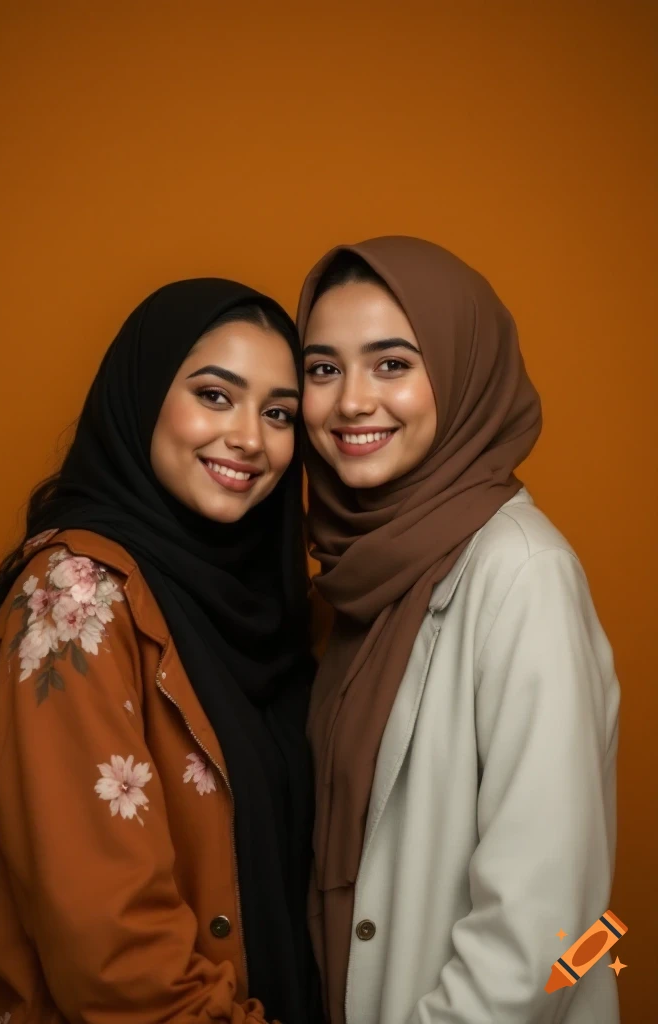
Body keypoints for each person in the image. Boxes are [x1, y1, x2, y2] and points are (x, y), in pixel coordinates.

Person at [0, 278, 321, 1024]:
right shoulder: (77, 600)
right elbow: (116, 961)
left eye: (278, 414)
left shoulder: (264, 607)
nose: (249, 438)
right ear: (140, 399)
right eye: (214, 394)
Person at [297, 237, 620, 1024]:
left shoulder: (520, 573)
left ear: (464, 371)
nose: (351, 402)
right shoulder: (358, 574)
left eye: (393, 364)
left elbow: (543, 928)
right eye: (323, 368)